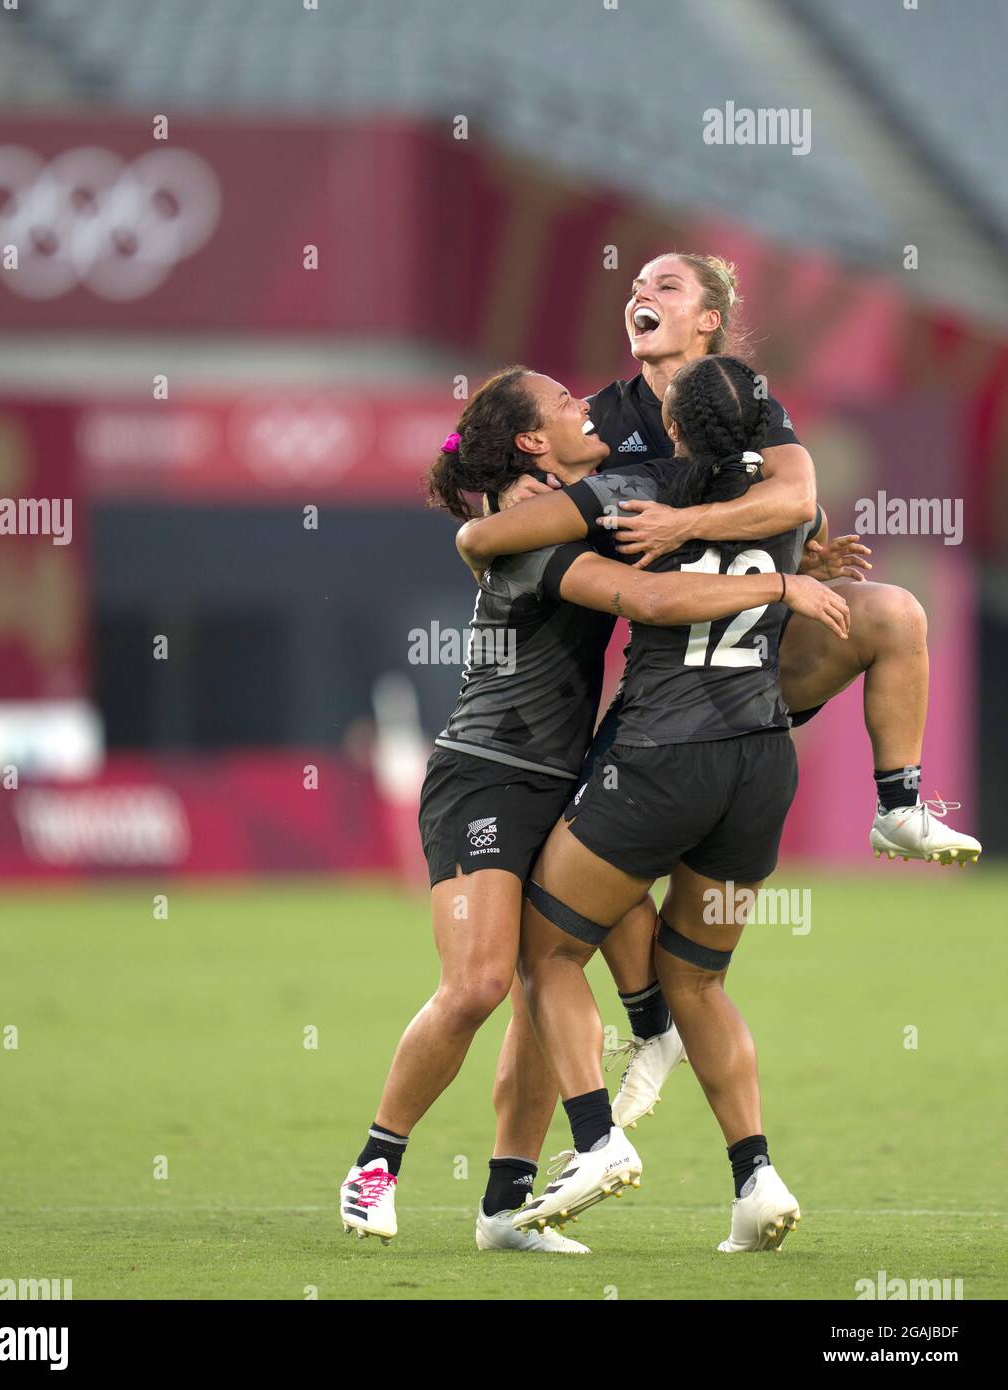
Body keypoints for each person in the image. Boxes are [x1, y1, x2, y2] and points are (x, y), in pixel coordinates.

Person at [338, 366, 846, 1250]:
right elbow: (647, 596)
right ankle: (375, 1167)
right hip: (488, 776)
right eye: (566, 403)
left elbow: (695, 540)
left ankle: (505, 1204)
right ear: (534, 442)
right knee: (482, 983)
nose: (587, 406)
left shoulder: (581, 503)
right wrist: (778, 587)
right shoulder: (531, 538)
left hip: (569, 773)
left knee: (547, 980)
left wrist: (782, 552)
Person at [493, 354, 824, 1250]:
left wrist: (488, 509)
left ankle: (597, 1140)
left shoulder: (637, 489)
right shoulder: (790, 508)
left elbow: (524, 532)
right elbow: (795, 509)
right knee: (703, 982)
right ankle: (754, 1179)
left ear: (671, 428)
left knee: (547, 947)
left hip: (659, 757)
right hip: (760, 766)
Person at [503, 251, 980, 871]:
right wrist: (502, 490)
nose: (640, 295)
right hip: (658, 687)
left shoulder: (741, 399)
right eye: (636, 286)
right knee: (595, 901)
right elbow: (487, 453)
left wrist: (689, 526)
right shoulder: (601, 416)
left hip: (747, 665)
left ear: (708, 318)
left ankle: (899, 807)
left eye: (665, 286)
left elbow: (798, 497)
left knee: (894, 611)